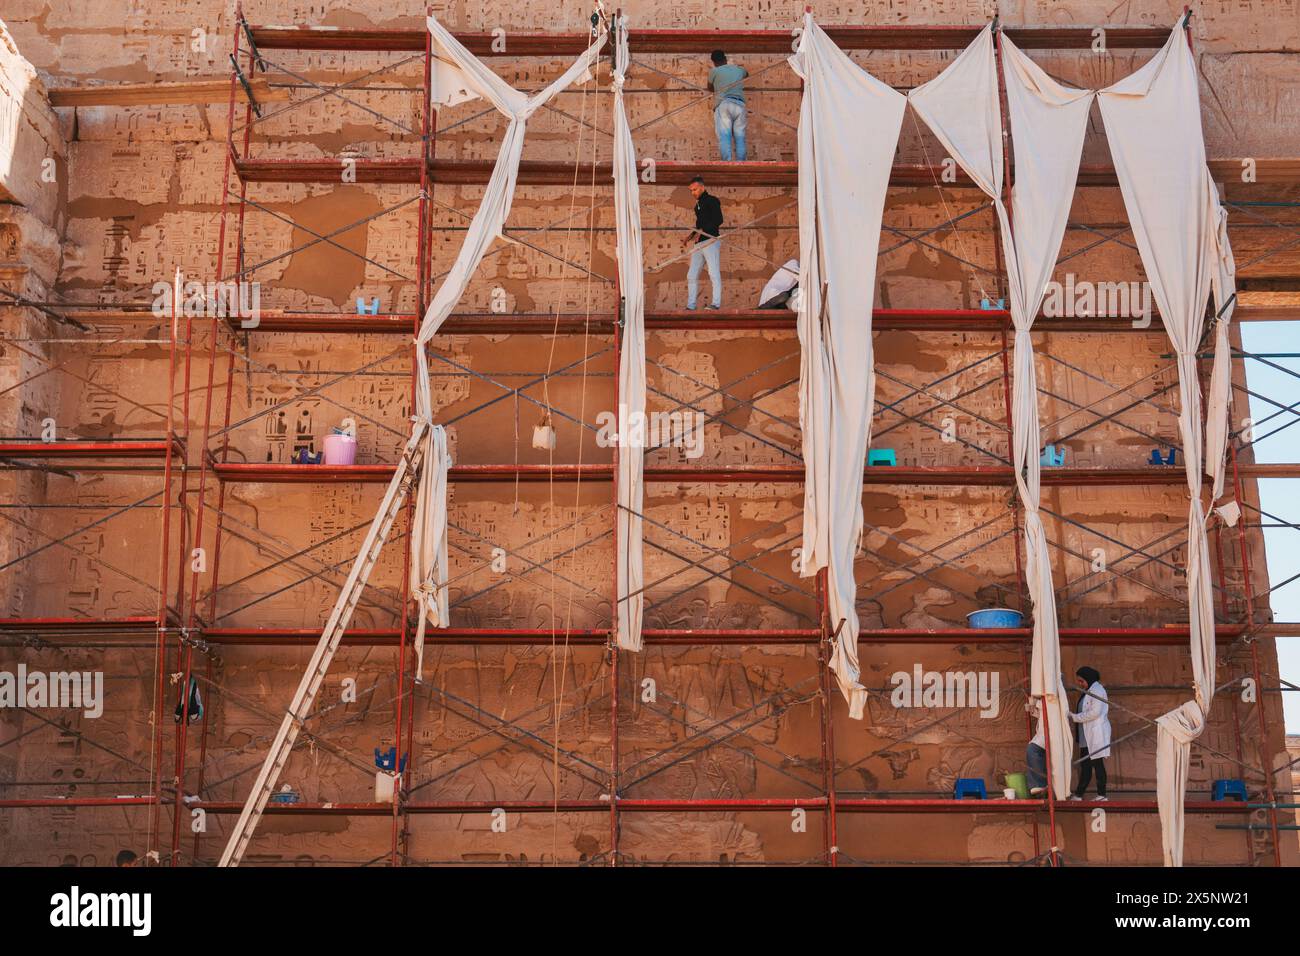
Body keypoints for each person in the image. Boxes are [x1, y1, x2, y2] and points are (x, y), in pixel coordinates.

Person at [1068, 665, 1111, 801]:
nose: (1080, 683)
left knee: (1097, 764)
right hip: (1086, 735)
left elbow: (1095, 712)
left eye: (1081, 681)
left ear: (1089, 678)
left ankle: (1102, 795)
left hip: (1095, 734)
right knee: (1085, 765)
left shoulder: (1098, 690)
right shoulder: (1089, 691)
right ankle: (1079, 794)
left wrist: (1075, 717)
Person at [683, 176, 723, 310]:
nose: (692, 192)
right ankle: (691, 306)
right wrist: (691, 235)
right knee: (692, 275)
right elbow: (699, 225)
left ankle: (716, 304)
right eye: (691, 191)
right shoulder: (697, 206)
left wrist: (703, 231)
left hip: (711, 240)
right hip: (699, 243)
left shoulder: (712, 201)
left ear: (702, 187)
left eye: (694, 189)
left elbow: (718, 219)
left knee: (713, 272)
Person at [707, 50, 748, 161]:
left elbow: (710, 88)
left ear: (714, 62)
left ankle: (727, 162)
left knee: (725, 136)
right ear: (725, 59)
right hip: (740, 105)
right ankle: (741, 163)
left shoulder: (714, 71)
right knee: (740, 137)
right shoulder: (738, 69)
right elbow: (746, 74)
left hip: (724, 104)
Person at [1024, 698, 1047, 796]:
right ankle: (1038, 785)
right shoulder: (1041, 700)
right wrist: (1031, 709)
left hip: (1049, 733)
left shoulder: (1049, 696)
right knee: (1033, 750)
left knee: (1032, 750)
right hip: (1042, 733)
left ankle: (1038, 784)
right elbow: (1041, 716)